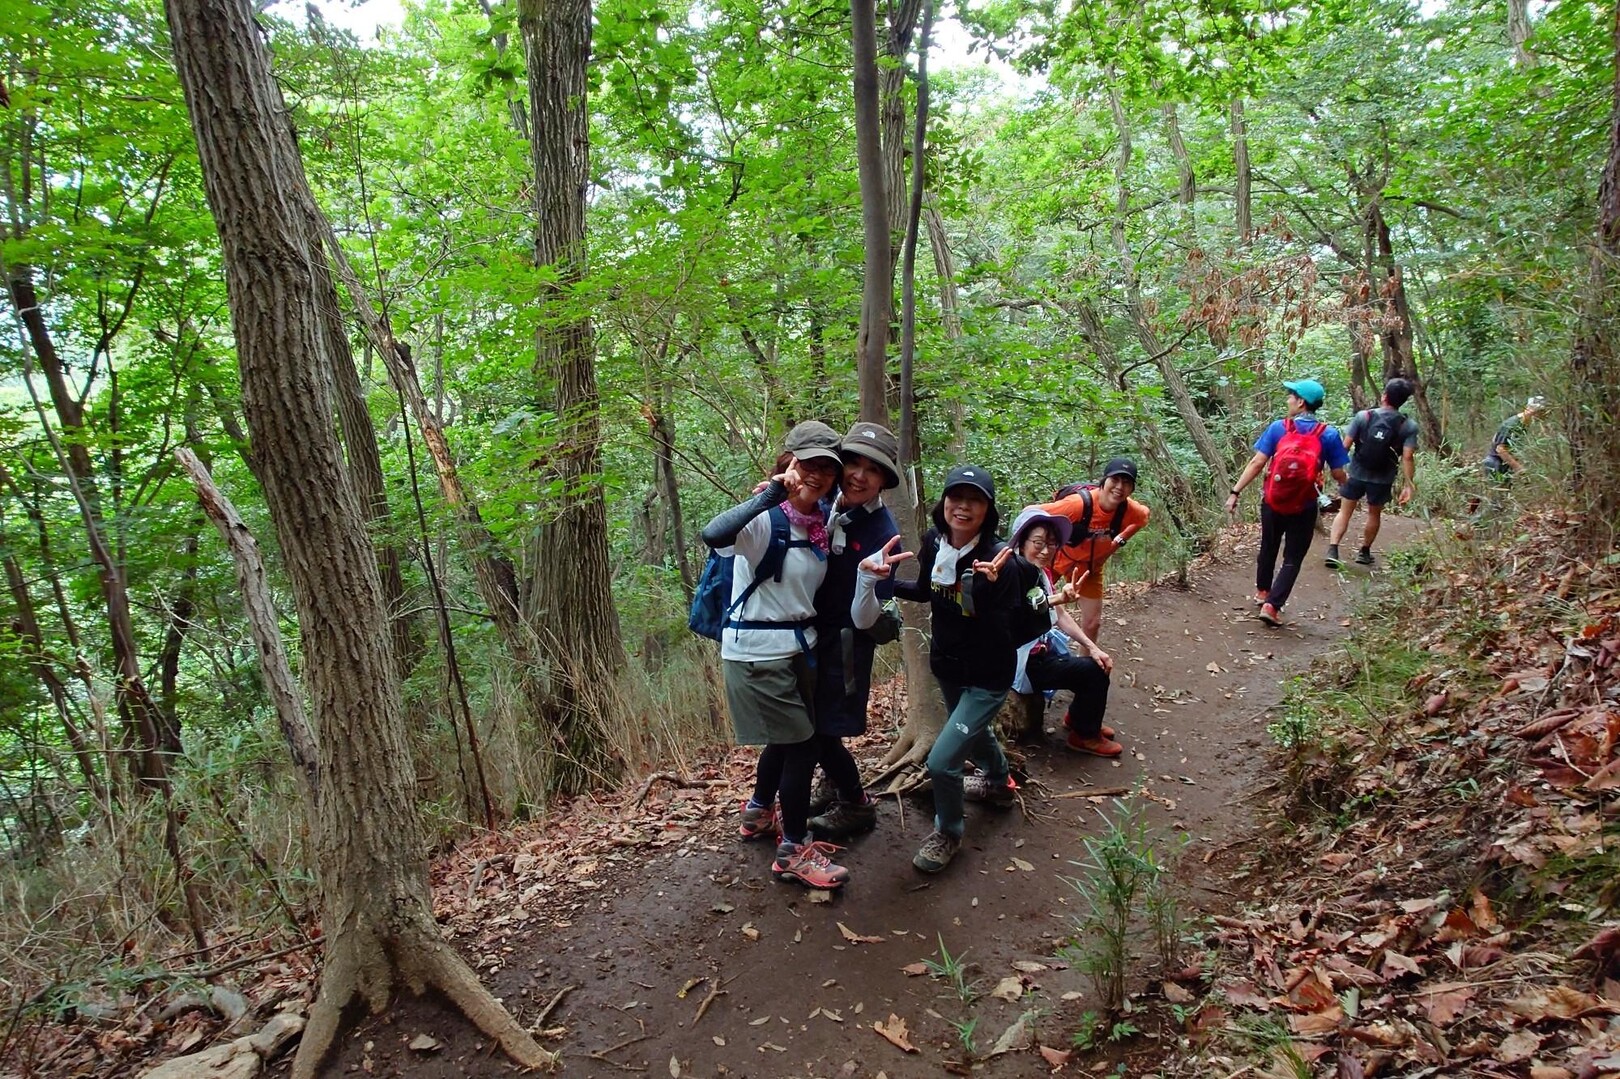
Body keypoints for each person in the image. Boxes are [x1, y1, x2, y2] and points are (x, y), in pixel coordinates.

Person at [701, 420, 850, 889]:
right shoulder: (765, 519)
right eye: (809, 464)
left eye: (828, 468)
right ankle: (793, 850)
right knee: (803, 747)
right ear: (790, 463)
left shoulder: (822, 524)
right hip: (758, 653)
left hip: (796, 650)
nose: (818, 474)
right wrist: (768, 495)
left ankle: (757, 814)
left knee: (787, 742)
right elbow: (713, 533)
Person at [858, 465, 1019, 874]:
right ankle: (999, 784)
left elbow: (1006, 617)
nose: (962, 507)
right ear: (943, 503)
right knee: (972, 729)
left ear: (988, 509)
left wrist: (989, 586)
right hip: (948, 666)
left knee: (942, 761)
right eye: (956, 497)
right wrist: (881, 582)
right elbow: (927, 592)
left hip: (987, 674)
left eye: (975, 500)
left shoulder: (999, 559)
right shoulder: (935, 541)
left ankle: (948, 831)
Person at [800, 423, 903, 840]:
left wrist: (865, 580)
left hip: (846, 642)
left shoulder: (883, 533)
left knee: (824, 728)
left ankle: (856, 804)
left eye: (872, 469)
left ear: (883, 480)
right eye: (853, 463)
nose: (858, 475)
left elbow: (869, 614)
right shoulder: (828, 504)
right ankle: (833, 783)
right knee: (815, 719)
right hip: (810, 634)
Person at [1224, 379, 1350, 627]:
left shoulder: (1278, 428)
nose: (1288, 399)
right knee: (1293, 557)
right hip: (1303, 505)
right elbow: (1338, 473)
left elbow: (1257, 463)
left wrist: (1235, 492)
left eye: (1291, 395)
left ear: (1301, 402)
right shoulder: (1329, 434)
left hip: (1273, 500)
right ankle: (1272, 605)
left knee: (1268, 545)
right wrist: (1350, 487)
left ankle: (1262, 592)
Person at [1007, 508, 1120, 757]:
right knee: (1092, 672)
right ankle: (1085, 736)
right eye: (1038, 543)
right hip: (1024, 662)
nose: (1046, 550)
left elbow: (1059, 616)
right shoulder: (1012, 573)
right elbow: (1022, 610)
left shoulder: (1040, 572)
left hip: (1042, 651)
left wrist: (1092, 646)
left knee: (1093, 662)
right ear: (1021, 541)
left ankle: (1079, 719)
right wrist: (1056, 598)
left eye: (1051, 543)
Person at [1038, 458, 1151, 643]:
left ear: (1132, 489)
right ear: (1104, 481)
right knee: (1037, 609)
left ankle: (1085, 666)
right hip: (1057, 561)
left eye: (1126, 482)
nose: (1120, 487)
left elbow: (1143, 518)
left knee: (1092, 624)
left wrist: (1117, 542)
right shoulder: (1078, 504)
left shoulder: (1130, 510)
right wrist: (1038, 549)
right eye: (1115, 480)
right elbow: (1032, 512)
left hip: (1090, 568)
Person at [1325, 377, 1420, 569]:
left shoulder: (1364, 417)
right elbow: (1408, 457)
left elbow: (1345, 445)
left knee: (1345, 511)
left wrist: (1338, 470)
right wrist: (1409, 484)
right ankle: (1364, 551)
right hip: (1383, 478)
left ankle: (1333, 549)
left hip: (1356, 472)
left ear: (1384, 395)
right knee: (1374, 514)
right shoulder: (1408, 426)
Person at [1483, 395, 1546, 482]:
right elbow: (1500, 449)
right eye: (1535, 410)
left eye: (1540, 412)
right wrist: (1519, 468)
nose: (1537, 414)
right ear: (1527, 408)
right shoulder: (1512, 424)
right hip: (1496, 463)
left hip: (1507, 464)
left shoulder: (1529, 425)